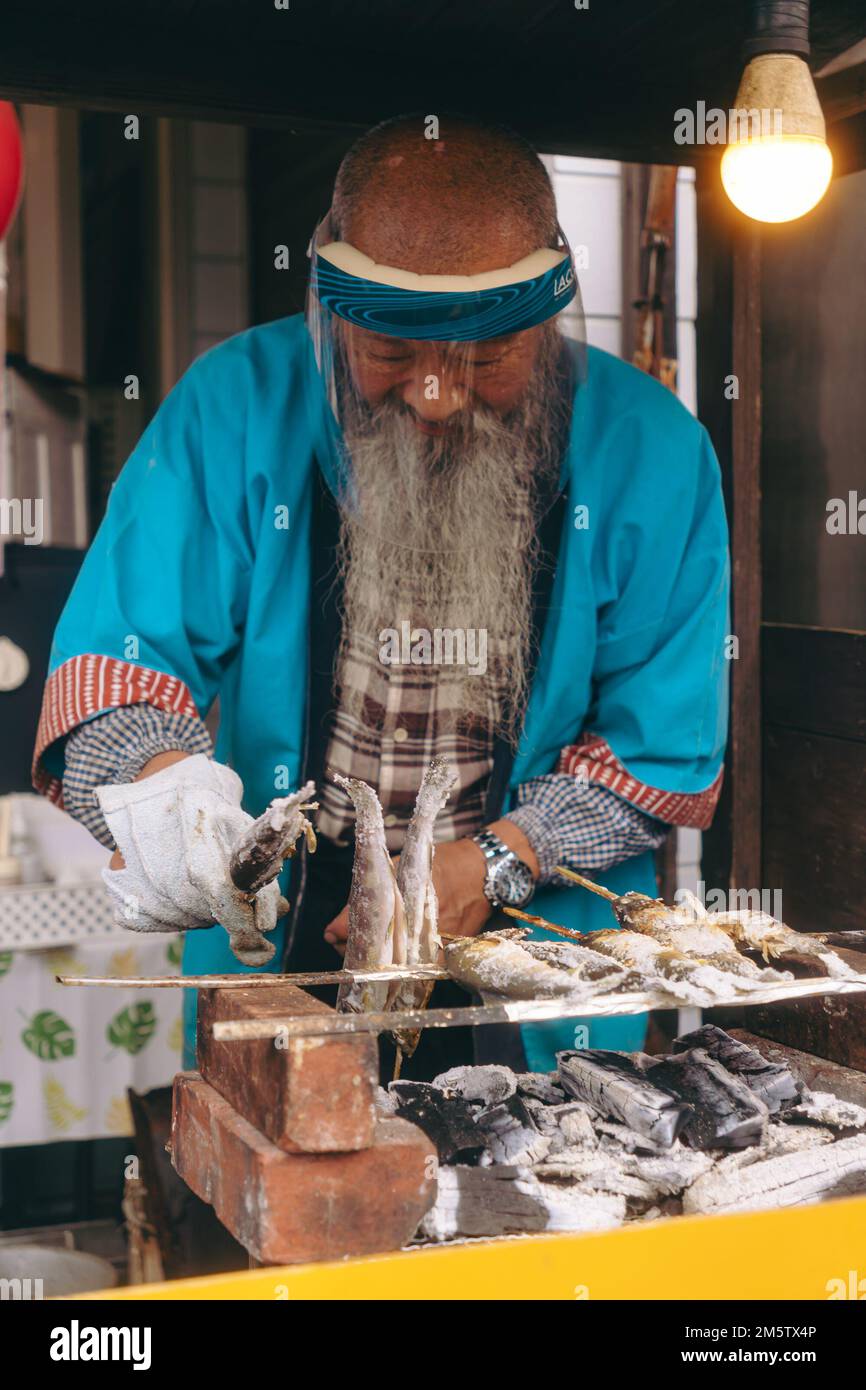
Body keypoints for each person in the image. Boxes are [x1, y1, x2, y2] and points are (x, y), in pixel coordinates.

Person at [32, 115, 729, 1074]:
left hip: (538, 945)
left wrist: (501, 857)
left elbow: (661, 750)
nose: (436, 393)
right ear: (331, 310)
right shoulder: (235, 403)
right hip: (282, 929)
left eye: (486, 357)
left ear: (548, 318)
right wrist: (170, 801)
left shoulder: (655, 451)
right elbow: (118, 664)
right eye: (392, 351)